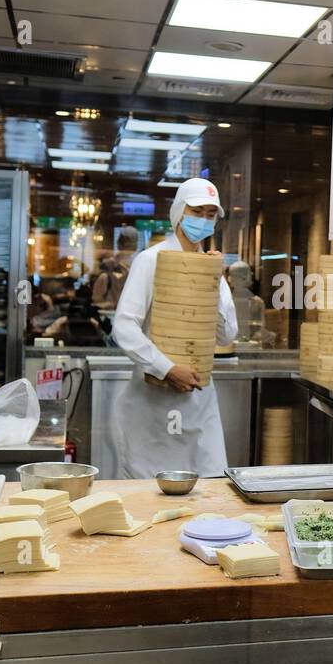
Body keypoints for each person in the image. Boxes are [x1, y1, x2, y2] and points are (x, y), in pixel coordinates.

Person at [110, 178, 238, 477]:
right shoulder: (150, 261)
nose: (204, 221)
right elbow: (124, 327)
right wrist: (167, 368)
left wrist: (215, 279)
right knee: (153, 495)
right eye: (198, 212)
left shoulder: (210, 266)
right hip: (153, 404)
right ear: (180, 212)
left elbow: (227, 334)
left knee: (207, 490)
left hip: (199, 400)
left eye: (211, 215)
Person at [92, 226, 139, 311]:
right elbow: (96, 300)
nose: (127, 250)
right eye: (126, 246)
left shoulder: (137, 267)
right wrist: (108, 305)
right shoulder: (107, 268)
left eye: (129, 246)